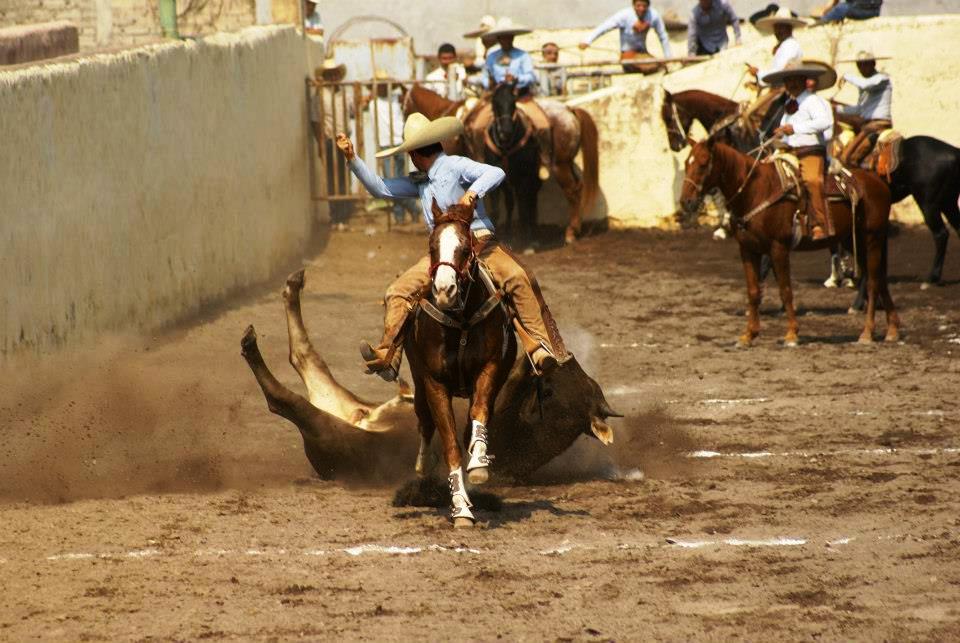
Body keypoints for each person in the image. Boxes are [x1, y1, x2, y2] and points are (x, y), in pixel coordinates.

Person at [334, 113, 564, 380]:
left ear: (415, 154)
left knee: (517, 277)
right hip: (442, 252)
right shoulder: (420, 181)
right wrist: (352, 159)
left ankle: (541, 349)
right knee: (398, 291)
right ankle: (389, 355)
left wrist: (473, 192)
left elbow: (496, 172)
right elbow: (380, 188)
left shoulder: (455, 165)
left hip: (479, 242)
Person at [765, 61, 835, 241]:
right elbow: (786, 129)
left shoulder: (813, 101)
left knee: (812, 181)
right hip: (789, 151)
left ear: (804, 80)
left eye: (795, 80)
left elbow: (825, 122)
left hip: (810, 151)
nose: (791, 84)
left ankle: (819, 224)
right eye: (788, 80)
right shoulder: (789, 104)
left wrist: (795, 128)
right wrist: (780, 134)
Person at [480, 18, 554, 180]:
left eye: (509, 36)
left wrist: (516, 79)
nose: (506, 39)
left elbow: (530, 76)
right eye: (502, 37)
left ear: (513, 38)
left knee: (543, 124)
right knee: (475, 126)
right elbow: (484, 78)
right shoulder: (492, 57)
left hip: (521, 98)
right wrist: (495, 83)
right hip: (498, 100)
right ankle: (479, 160)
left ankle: (543, 160)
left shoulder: (522, 55)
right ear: (498, 39)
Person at [743, 7, 806, 138]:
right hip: (777, 88)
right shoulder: (784, 46)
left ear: (789, 28)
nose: (777, 31)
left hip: (784, 90)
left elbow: (779, 72)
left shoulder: (790, 45)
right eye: (776, 28)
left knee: (752, 116)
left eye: (781, 28)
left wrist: (758, 73)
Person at [368, 72, 420, 224]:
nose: (383, 88)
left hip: (401, 143)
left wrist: (400, 84)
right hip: (384, 145)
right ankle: (414, 208)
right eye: (380, 85)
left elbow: (409, 93)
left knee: (401, 182)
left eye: (386, 84)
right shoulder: (372, 103)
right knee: (390, 184)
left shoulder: (398, 99)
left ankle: (399, 216)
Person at [310, 59, 353, 226]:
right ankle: (335, 217)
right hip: (329, 141)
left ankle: (344, 217)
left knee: (346, 177)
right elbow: (315, 120)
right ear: (326, 76)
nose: (334, 76)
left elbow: (353, 110)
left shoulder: (344, 93)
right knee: (332, 179)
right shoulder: (319, 94)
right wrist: (321, 142)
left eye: (336, 73)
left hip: (345, 140)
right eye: (330, 74)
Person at [578, 0, 673, 74]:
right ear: (633, 5)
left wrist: (668, 58)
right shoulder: (624, 15)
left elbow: (663, 36)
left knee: (663, 67)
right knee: (652, 65)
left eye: (644, 6)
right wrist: (587, 40)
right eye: (638, 6)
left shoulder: (653, 16)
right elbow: (605, 27)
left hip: (643, 53)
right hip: (628, 55)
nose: (641, 9)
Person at [834, 51, 893, 167]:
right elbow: (861, 109)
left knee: (849, 157)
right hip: (867, 125)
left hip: (877, 125)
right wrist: (836, 109)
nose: (861, 68)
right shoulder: (867, 84)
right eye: (859, 65)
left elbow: (864, 84)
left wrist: (846, 76)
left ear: (873, 64)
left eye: (865, 64)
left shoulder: (882, 78)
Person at [818, 0, 882, 23]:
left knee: (840, 8)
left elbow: (833, 3)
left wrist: (824, 12)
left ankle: (821, 21)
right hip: (875, 11)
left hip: (859, 10)